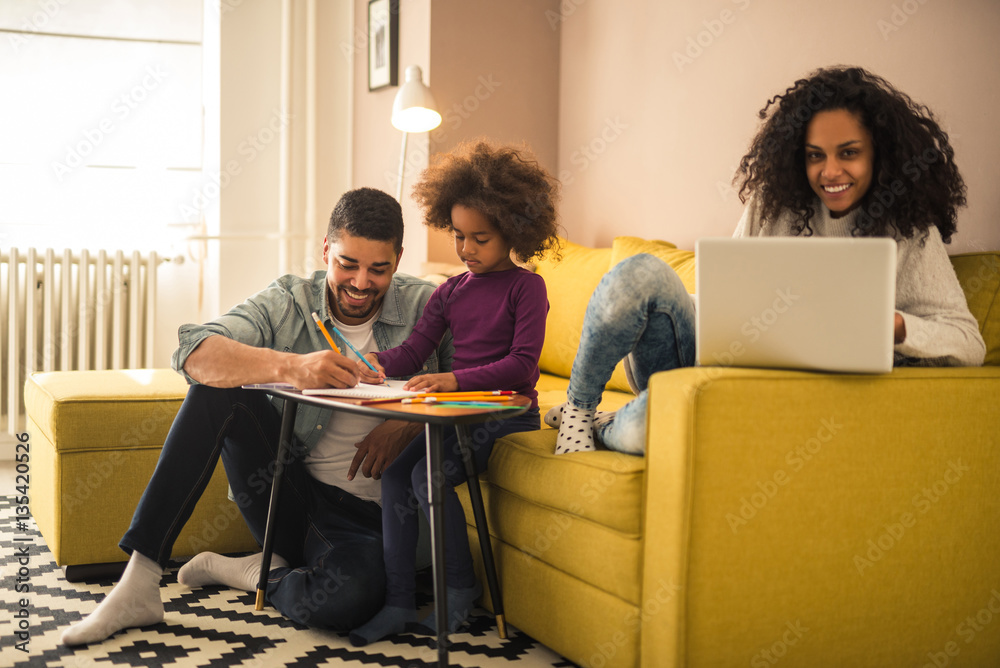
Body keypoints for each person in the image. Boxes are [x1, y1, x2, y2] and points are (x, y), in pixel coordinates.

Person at [61, 187, 454, 646]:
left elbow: (480, 387)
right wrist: (292, 366)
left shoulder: (432, 304)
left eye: (378, 269)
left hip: (380, 521)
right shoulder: (288, 300)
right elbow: (194, 352)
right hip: (291, 498)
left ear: (399, 259)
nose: (361, 283)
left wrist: (411, 423)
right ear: (326, 248)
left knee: (348, 600)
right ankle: (139, 582)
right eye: (347, 263)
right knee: (214, 393)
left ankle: (255, 572)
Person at [549, 65, 986, 457]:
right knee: (640, 271)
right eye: (816, 155)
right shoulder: (773, 204)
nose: (830, 171)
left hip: (755, 397)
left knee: (657, 424)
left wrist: (895, 325)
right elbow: (725, 300)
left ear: (880, 153)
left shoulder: (909, 231)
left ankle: (607, 425)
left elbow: (968, 343)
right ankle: (577, 411)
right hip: (710, 362)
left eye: (848, 152)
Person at [348, 140, 560, 645]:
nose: (465, 249)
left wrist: (456, 379)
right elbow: (415, 348)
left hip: (504, 413)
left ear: (513, 230)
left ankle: (460, 589)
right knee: (396, 475)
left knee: (426, 476)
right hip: (458, 411)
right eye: (459, 236)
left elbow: (523, 367)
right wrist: (374, 364)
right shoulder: (451, 289)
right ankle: (400, 601)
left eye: (480, 238)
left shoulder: (526, 288)